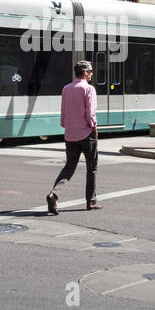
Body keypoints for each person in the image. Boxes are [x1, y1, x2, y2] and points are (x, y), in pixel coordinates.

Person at [47, 60, 100, 213]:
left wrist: (66, 126)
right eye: (90, 72)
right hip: (86, 133)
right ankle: (91, 201)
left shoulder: (66, 89)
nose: (91, 75)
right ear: (84, 73)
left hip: (70, 134)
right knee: (92, 167)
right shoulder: (89, 89)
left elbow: (63, 113)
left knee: (69, 167)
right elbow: (90, 113)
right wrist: (94, 128)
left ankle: (54, 194)